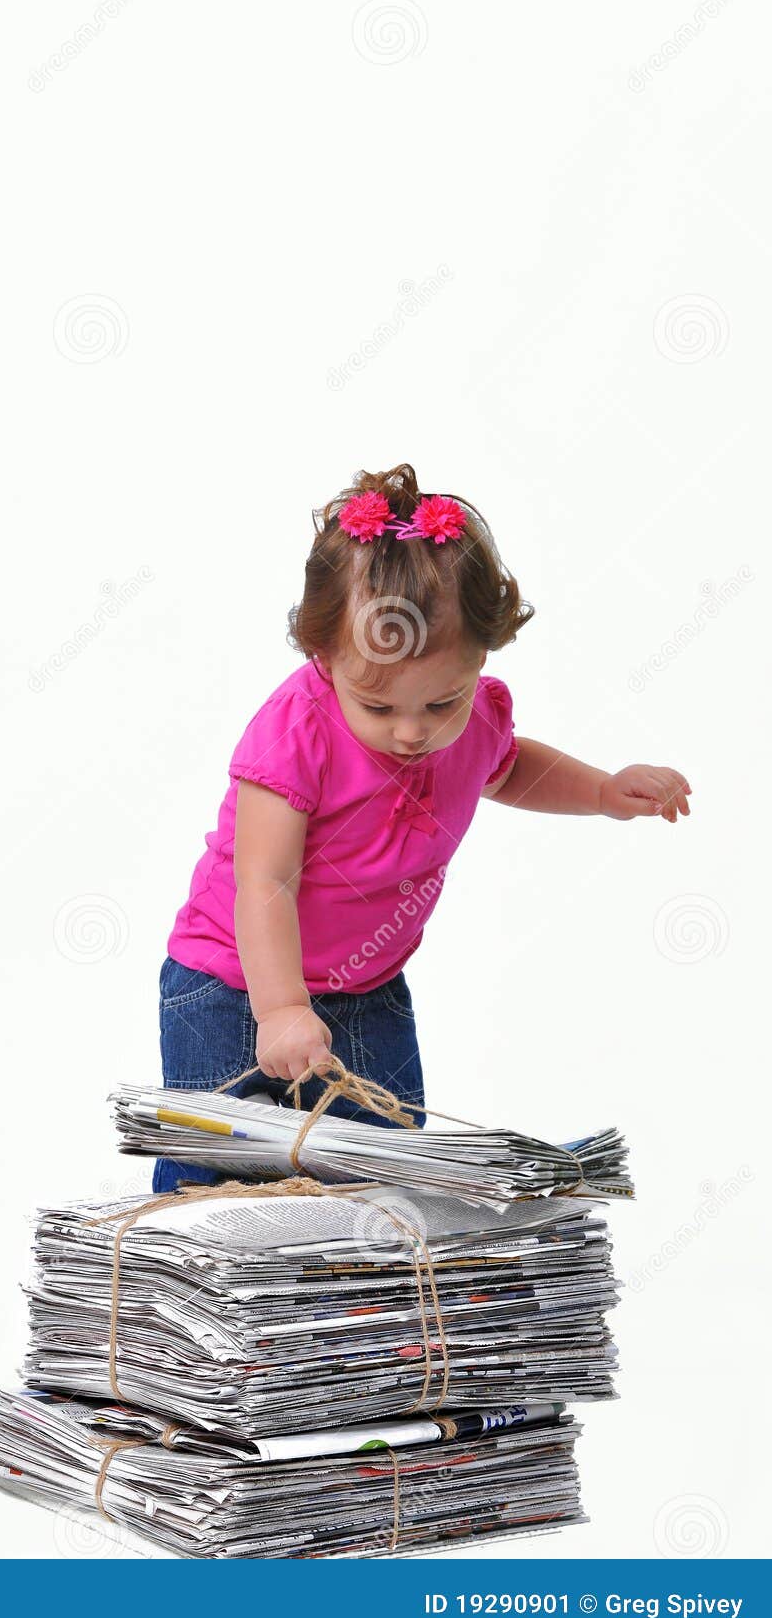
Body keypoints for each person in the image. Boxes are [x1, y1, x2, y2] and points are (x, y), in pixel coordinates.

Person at [153, 463, 691, 1192]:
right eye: (378, 708)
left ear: (481, 659)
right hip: (232, 985)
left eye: (442, 703)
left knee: (384, 1177)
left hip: (367, 989)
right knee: (213, 1180)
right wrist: (278, 1009)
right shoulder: (295, 732)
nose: (412, 732)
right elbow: (265, 879)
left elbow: (508, 768)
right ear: (323, 657)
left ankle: (366, 1266)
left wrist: (601, 790)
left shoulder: (473, 723)